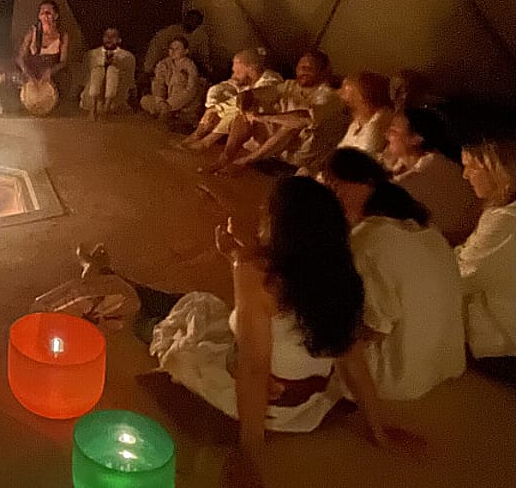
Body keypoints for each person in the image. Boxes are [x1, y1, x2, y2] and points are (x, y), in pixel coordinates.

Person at [146, 177, 411, 486]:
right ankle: (118, 284)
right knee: (204, 314)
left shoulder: (254, 273)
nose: (261, 213)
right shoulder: (340, 274)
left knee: (176, 323)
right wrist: (378, 430)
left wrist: (251, 452)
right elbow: (351, 359)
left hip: (262, 407)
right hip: (305, 411)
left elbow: (254, 368)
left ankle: (118, 287)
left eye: (267, 211)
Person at [322, 148, 465, 400]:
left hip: (403, 376)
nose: (333, 196)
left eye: (336, 186)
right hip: (445, 361)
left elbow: (376, 326)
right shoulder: (421, 225)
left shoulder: (368, 240)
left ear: (366, 183)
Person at [205, 50, 346, 176]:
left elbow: (305, 118)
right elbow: (255, 94)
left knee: (290, 124)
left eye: (308, 68)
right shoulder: (290, 86)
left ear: (321, 73)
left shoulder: (329, 95)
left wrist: (265, 117)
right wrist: (246, 105)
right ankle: (226, 157)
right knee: (245, 116)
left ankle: (244, 162)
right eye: (300, 67)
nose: (303, 71)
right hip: (278, 147)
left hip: (300, 156)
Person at [457, 140, 516, 375]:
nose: (464, 175)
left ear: (498, 169)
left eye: (472, 167)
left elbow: (460, 277)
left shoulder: (506, 221)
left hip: (504, 348)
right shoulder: (501, 214)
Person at [386, 108, 480, 245]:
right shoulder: (403, 165)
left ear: (416, 138)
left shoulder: (435, 169)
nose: (386, 135)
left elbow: (389, 193)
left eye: (393, 131)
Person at [182, 48, 281, 151]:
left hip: (264, 134)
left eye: (238, 72)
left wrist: (216, 108)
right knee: (219, 94)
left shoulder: (270, 82)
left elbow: (247, 100)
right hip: (246, 132)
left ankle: (206, 143)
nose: (234, 75)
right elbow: (221, 89)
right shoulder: (250, 80)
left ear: (251, 69)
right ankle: (196, 136)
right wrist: (212, 108)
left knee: (237, 110)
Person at [16, 0, 69, 116]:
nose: (45, 16)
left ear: (56, 16)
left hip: (51, 73)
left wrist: (51, 71)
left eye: (48, 13)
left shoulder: (62, 36)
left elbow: (63, 61)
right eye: (42, 13)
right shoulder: (33, 32)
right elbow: (20, 58)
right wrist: (27, 73)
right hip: (32, 72)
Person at [139, 35, 204, 127]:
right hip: (165, 102)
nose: (173, 51)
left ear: (185, 51)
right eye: (171, 48)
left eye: (177, 49)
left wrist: (171, 104)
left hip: (183, 104)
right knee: (145, 100)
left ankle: (172, 115)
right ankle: (167, 113)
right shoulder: (163, 64)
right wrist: (161, 101)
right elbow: (158, 84)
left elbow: (190, 90)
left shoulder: (190, 67)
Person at [80, 27, 136, 119]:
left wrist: (114, 64)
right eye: (106, 36)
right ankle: (93, 109)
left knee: (112, 70)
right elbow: (84, 79)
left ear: (119, 40)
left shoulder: (127, 57)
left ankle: (107, 108)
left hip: (115, 103)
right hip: (92, 101)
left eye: (113, 36)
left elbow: (129, 82)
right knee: (98, 70)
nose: (109, 38)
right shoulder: (92, 54)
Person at [337, 71, 393, 159]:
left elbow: (358, 163)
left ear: (361, 96)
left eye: (344, 89)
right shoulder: (357, 122)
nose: (339, 93)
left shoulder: (378, 125)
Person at [144, 8, 210, 80]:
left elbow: (203, 57)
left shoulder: (201, 37)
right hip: (165, 68)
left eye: (195, 21)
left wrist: (207, 70)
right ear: (185, 19)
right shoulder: (167, 33)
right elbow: (155, 50)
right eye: (190, 20)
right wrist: (149, 70)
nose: (192, 23)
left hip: (185, 70)